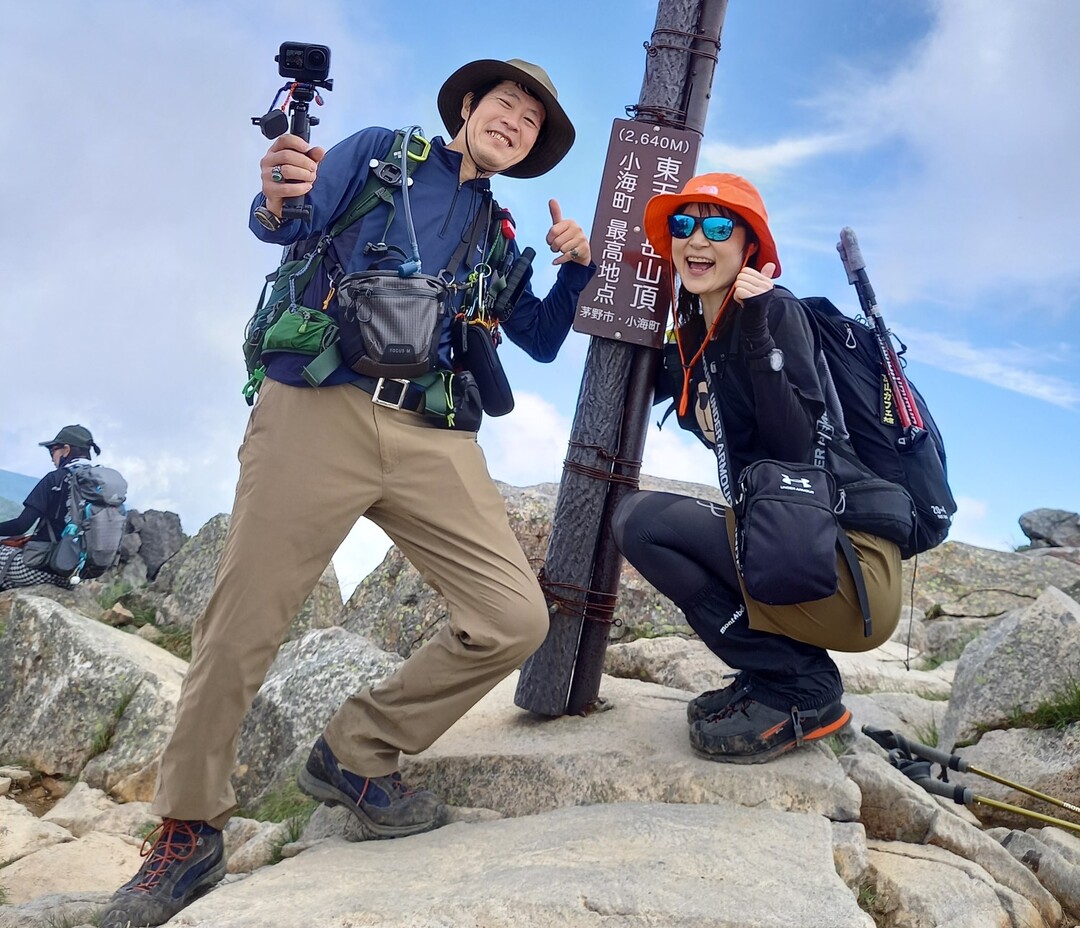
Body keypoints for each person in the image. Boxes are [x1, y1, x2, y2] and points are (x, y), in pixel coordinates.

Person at [101, 57, 595, 928]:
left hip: (428, 434)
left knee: (515, 617)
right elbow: (287, 222)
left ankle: (357, 752)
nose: (514, 123)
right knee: (242, 622)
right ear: (469, 108)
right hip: (315, 408)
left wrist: (573, 268)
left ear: (531, 150)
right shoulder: (379, 157)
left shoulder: (500, 237)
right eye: (504, 105)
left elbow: (546, 342)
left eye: (531, 123)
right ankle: (186, 831)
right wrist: (278, 191)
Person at [611, 173, 901, 765]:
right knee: (653, 520)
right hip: (800, 545)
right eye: (683, 225)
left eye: (719, 227)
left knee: (643, 523)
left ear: (750, 251)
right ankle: (774, 675)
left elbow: (794, 442)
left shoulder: (774, 314)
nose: (698, 239)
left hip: (850, 567)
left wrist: (759, 328)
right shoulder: (699, 336)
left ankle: (800, 686)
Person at [0, 425, 101, 591]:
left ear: (66, 449)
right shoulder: (99, 485)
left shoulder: (55, 479)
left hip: (41, 568)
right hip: (73, 575)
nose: (51, 458)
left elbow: (21, 524)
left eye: (52, 451)